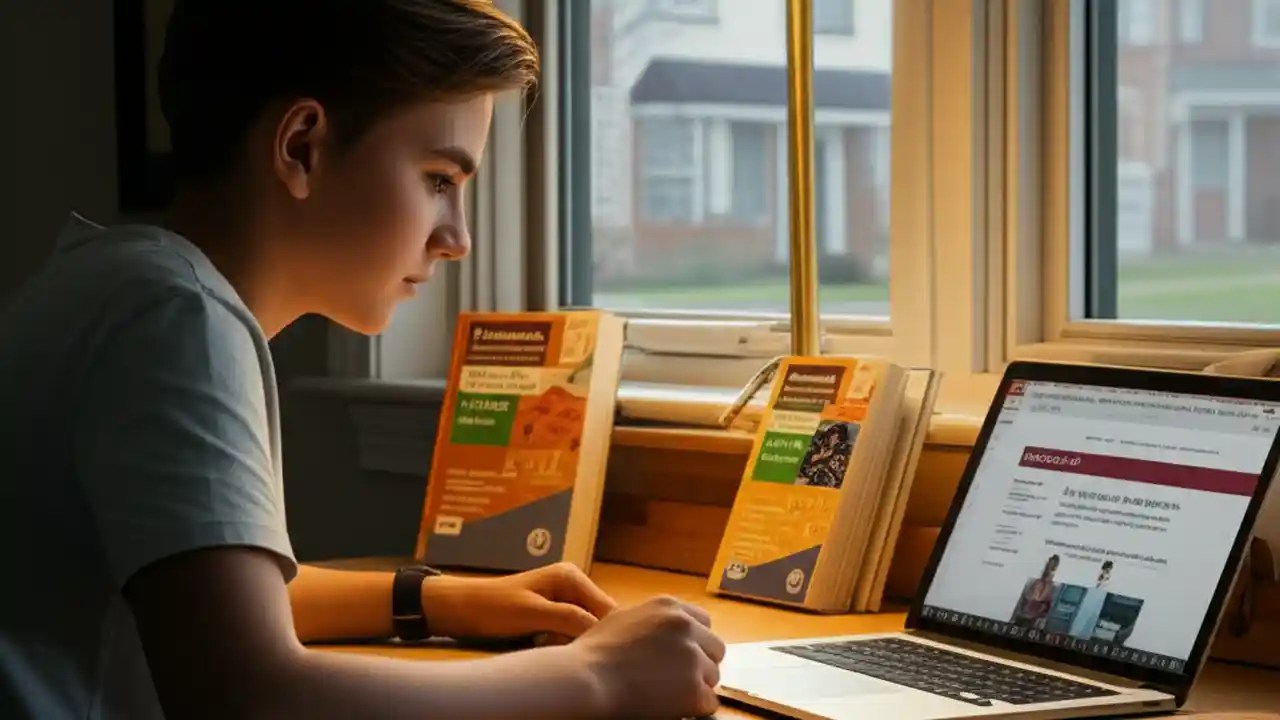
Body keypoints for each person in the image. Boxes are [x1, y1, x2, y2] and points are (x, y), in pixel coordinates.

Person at [0, 2, 723, 718]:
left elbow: (213, 596)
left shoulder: (110, 282)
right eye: (440, 179)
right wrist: (598, 675)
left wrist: (440, 597)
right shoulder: (175, 316)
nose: (458, 239)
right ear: (301, 148)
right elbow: (253, 695)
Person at [1012, 555, 1060, 628]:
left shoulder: (1050, 586)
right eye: (1049, 564)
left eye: (1053, 565)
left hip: (1032, 616)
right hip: (1026, 614)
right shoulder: (1035, 583)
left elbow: (1044, 605)